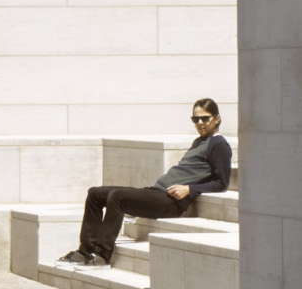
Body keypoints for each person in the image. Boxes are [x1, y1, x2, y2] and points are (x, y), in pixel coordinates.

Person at [69, 101, 234, 267]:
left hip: (169, 201)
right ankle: (85, 250)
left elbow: (221, 183)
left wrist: (190, 189)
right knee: (95, 193)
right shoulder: (199, 141)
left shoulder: (219, 145)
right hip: (156, 192)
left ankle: (102, 254)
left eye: (205, 119)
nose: (200, 123)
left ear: (217, 119)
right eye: (195, 119)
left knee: (117, 196)